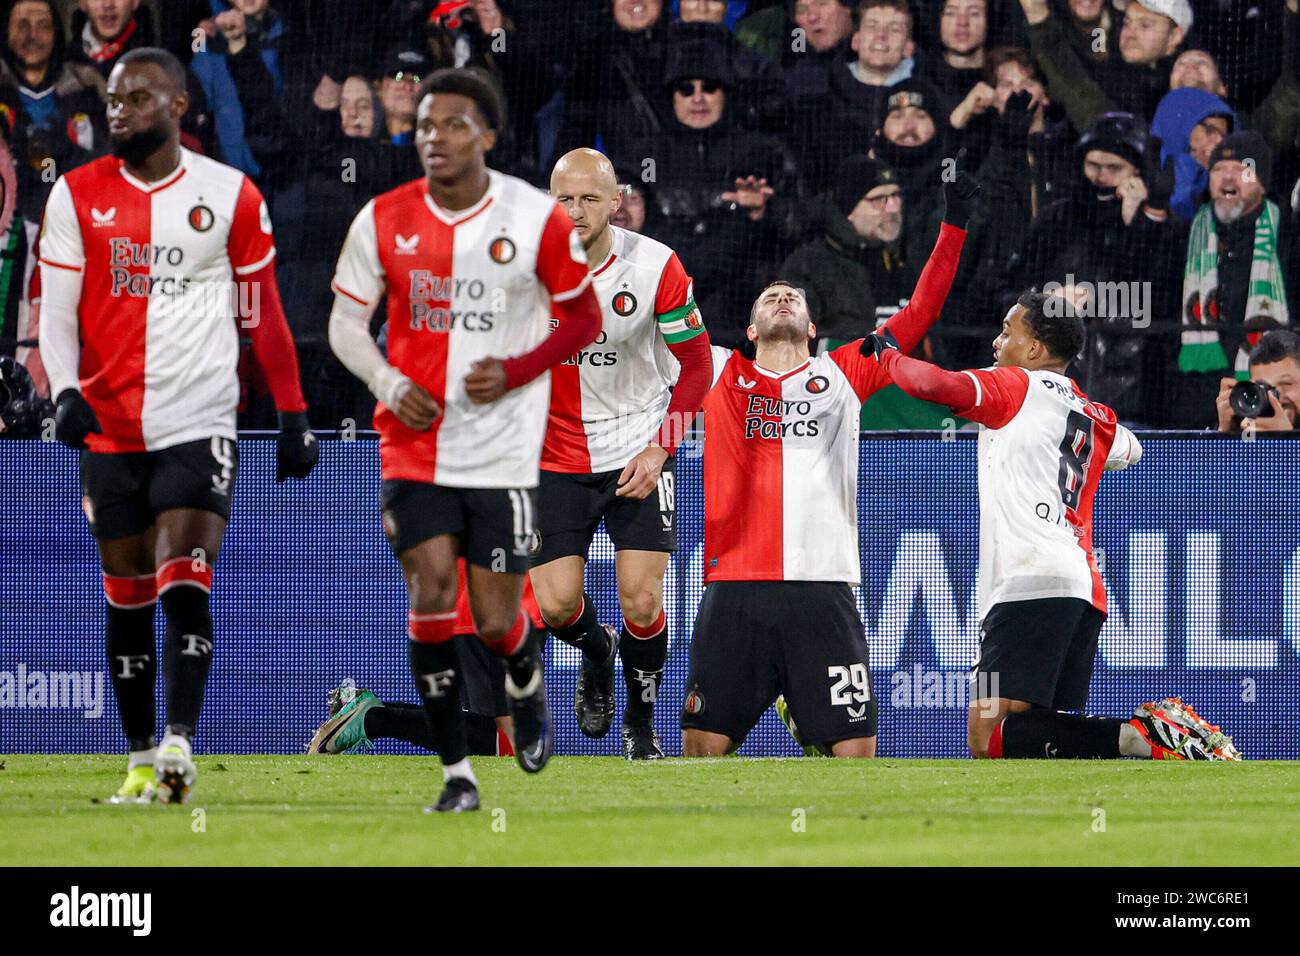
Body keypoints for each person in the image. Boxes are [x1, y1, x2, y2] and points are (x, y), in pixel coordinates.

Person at [36, 47, 320, 805]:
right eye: (113, 100)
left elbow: (264, 318)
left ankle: (178, 744)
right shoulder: (74, 195)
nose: (117, 110)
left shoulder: (229, 194)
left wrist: (292, 414)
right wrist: (64, 392)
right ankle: (137, 760)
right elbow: (58, 316)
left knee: (185, 581)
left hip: (199, 420)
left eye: (135, 99)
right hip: (110, 428)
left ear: (179, 105)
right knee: (126, 595)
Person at [327, 68, 603, 813]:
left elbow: (581, 322)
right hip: (413, 445)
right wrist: (388, 385)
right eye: (423, 125)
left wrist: (515, 369)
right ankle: (458, 775)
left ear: (488, 133)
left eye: (452, 124)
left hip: (505, 451)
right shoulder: (383, 218)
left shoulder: (534, 219)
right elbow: (344, 326)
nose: (434, 138)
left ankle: (524, 674)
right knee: (431, 600)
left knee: (492, 618)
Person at [679, 151, 976, 758]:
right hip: (734, 587)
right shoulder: (715, 371)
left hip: (825, 587)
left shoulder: (844, 373)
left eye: (794, 298)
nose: (783, 299)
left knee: (854, 759)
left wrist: (955, 226)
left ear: (815, 330)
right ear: (751, 330)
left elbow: (921, 312)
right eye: (771, 298)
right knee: (701, 753)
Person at [862, 291, 1240, 760]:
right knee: (1043, 731)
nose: (997, 343)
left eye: (1007, 332)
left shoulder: (1014, 386)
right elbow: (1131, 450)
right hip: (1079, 587)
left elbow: (934, 386)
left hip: (1029, 582)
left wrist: (886, 353)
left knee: (986, 737)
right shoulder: (1095, 413)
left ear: (1035, 350)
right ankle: (1145, 738)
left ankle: (1139, 736)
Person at [532, 148, 712, 759]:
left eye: (589, 199)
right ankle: (597, 651)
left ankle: (641, 720)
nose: (576, 211)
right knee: (556, 606)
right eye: (564, 199)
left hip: (637, 449)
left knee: (642, 597)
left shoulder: (655, 265)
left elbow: (696, 366)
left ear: (616, 202)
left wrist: (662, 450)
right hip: (550, 458)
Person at [306, 562, 548, 758]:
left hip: (463, 604)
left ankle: (370, 712)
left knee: (488, 734)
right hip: (501, 606)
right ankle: (374, 719)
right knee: (509, 744)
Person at [1173, 130, 1298, 428]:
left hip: (1280, 397)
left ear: (1263, 181)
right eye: (1218, 169)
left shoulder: (1290, 235)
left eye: (1242, 169)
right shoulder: (1185, 236)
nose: (1228, 178)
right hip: (1197, 398)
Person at [1, 0, 109, 219]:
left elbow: (108, 160)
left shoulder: (87, 85)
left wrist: (66, 152)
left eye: (43, 26)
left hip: (79, 216)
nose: (32, 35)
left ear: (57, 34)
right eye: (22, 25)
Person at [1016, 0, 1190, 129]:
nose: (1129, 34)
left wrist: (1039, 19)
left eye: (1145, 26)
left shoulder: (1184, 85)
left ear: (1175, 36)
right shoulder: (1112, 64)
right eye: (1127, 22)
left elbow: (1090, 105)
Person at [1214, 328, 1300, 435]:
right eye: (1263, 387)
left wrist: (1285, 440)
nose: (1273, 397)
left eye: (1285, 384)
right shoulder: (1249, 427)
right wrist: (1225, 434)